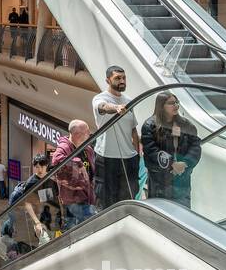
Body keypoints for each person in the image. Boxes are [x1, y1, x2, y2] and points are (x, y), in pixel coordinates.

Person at [140, 93, 203, 207]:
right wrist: (172, 164)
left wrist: (185, 163)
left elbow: (196, 146)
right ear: (161, 106)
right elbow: (151, 151)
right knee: (161, 213)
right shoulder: (150, 125)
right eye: (171, 103)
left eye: (176, 103)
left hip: (182, 179)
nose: (175, 106)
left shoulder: (186, 124)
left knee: (182, 213)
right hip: (160, 180)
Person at [92, 66, 141, 208]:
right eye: (117, 78)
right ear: (108, 80)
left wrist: (137, 153)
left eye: (124, 78)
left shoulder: (129, 100)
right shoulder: (100, 98)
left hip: (129, 157)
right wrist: (116, 108)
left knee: (129, 195)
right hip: (107, 157)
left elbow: (133, 129)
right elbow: (102, 107)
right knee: (106, 198)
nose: (122, 81)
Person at [51, 120, 95, 229]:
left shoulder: (87, 149)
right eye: (87, 132)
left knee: (88, 229)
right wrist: (79, 164)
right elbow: (57, 160)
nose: (89, 135)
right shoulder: (64, 147)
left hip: (87, 197)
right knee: (78, 231)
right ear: (77, 134)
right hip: (73, 201)